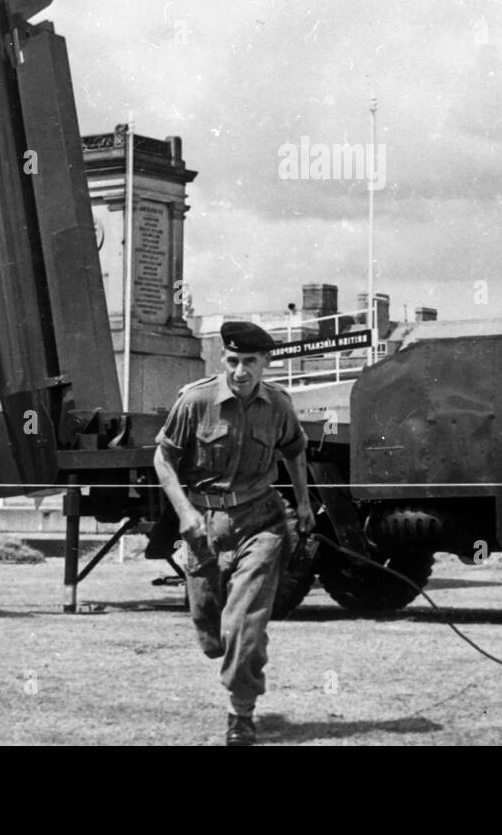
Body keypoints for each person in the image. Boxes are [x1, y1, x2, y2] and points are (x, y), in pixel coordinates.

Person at [153, 320, 316, 746]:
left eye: (249, 362)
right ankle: (224, 652)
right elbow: (163, 459)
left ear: (265, 363)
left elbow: (295, 450)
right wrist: (184, 513)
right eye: (232, 360)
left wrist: (301, 504)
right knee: (211, 631)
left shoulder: (279, 405)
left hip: (261, 524)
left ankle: (241, 715)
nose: (240, 371)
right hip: (204, 528)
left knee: (245, 625)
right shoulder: (195, 400)